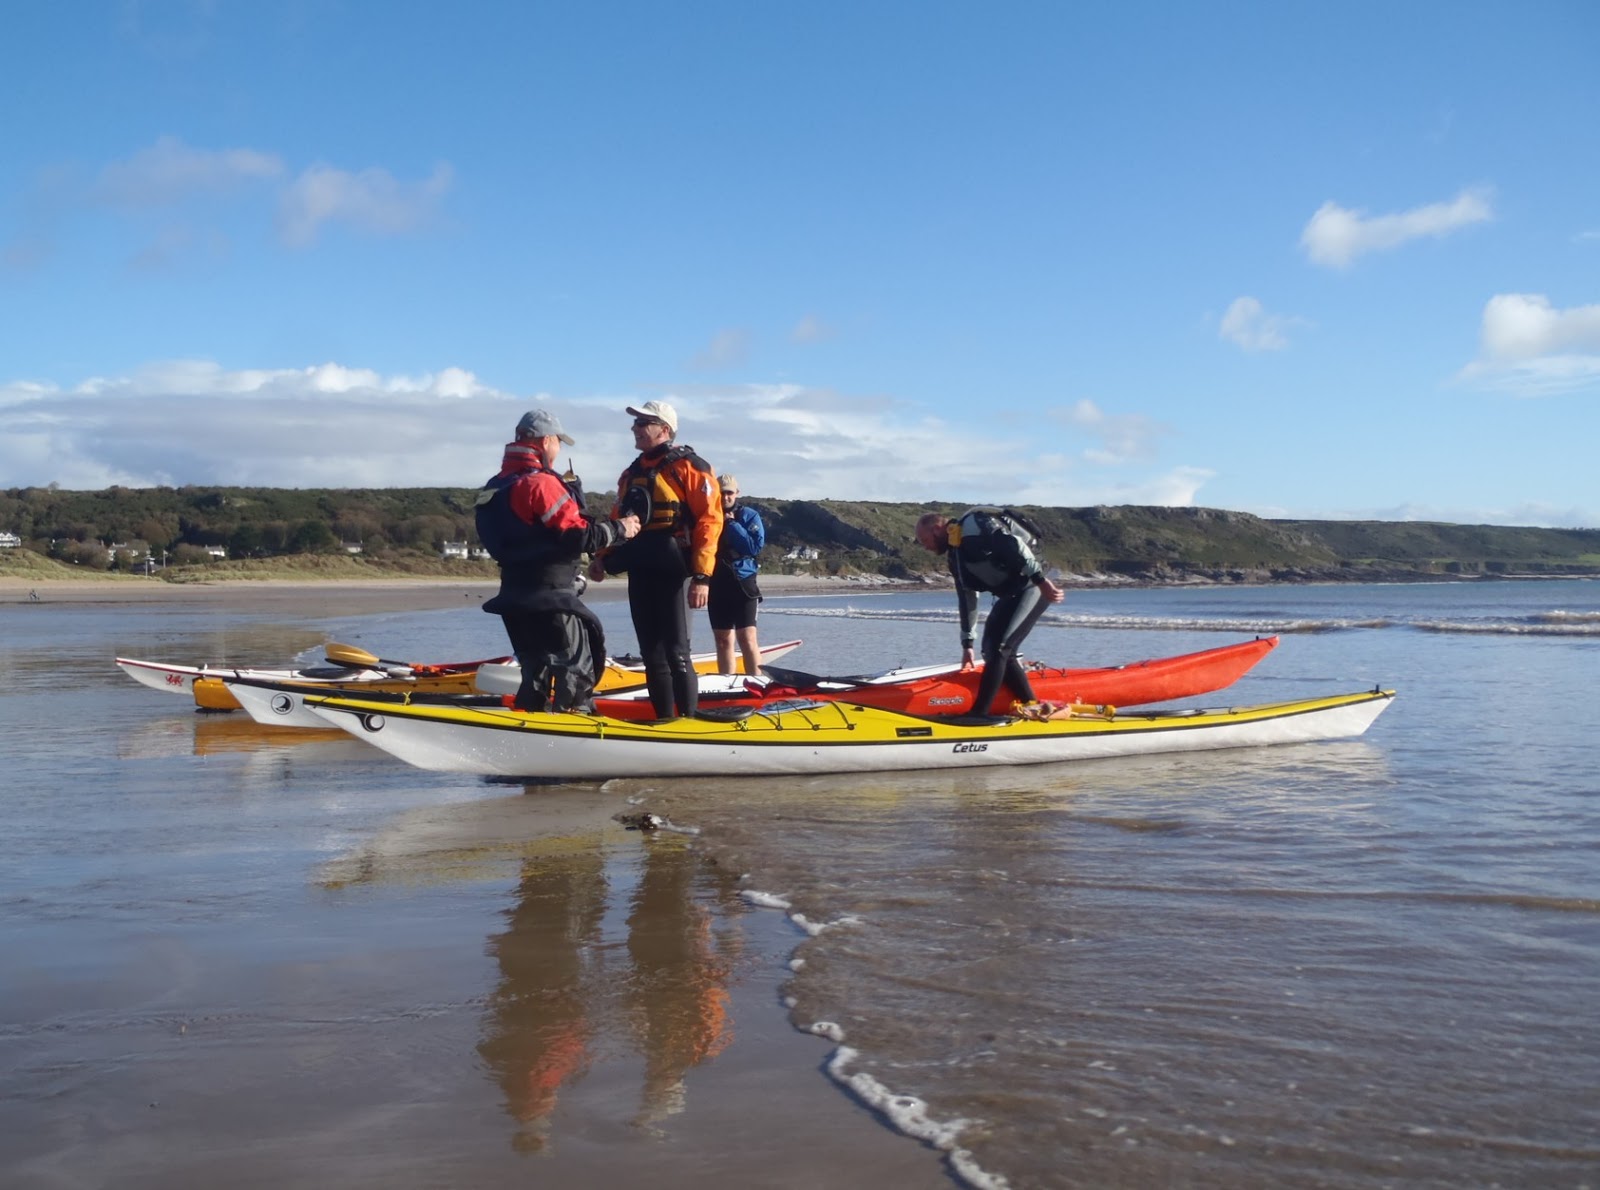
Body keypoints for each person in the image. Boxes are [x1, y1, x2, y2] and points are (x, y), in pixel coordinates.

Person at [476, 409, 639, 711]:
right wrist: (621, 529)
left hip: (513, 594)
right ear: (546, 441)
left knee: (534, 670)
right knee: (575, 671)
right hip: (550, 595)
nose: (559, 449)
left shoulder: (495, 485)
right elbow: (578, 536)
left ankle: (530, 724)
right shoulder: (541, 483)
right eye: (558, 442)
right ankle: (576, 725)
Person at [588, 400, 723, 719]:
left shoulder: (691, 467)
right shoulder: (631, 473)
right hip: (641, 565)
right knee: (651, 653)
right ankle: (664, 719)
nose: (634, 428)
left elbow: (710, 521)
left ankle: (687, 720)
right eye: (635, 423)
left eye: (642, 423)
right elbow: (618, 517)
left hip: (674, 568)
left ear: (664, 429)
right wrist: (601, 557)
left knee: (677, 652)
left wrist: (702, 577)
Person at [915, 507, 1065, 716]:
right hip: (1012, 593)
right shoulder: (955, 555)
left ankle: (979, 713)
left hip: (1032, 585)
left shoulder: (973, 525)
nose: (925, 547)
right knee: (993, 650)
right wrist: (967, 643)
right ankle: (1031, 704)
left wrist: (1042, 581)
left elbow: (1013, 545)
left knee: (999, 649)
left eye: (924, 540)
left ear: (937, 528)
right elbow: (967, 599)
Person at [707, 473, 765, 675]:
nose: (725, 497)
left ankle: (756, 683)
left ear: (737, 493)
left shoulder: (749, 516)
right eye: (721, 493)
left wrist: (732, 525)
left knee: (747, 638)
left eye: (729, 493)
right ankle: (727, 683)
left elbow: (754, 547)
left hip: (743, 582)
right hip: (717, 582)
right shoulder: (708, 516)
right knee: (723, 640)